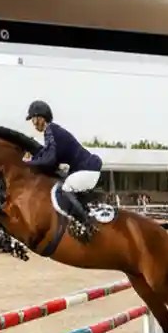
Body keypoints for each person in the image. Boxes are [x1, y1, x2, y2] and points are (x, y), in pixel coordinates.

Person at [23, 100, 104, 236]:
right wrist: (32, 160)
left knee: (65, 189)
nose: (33, 123)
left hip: (87, 170)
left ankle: (85, 224)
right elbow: (45, 153)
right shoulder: (52, 132)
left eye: (33, 119)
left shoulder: (51, 131)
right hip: (85, 169)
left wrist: (29, 163)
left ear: (40, 118)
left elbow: (49, 160)